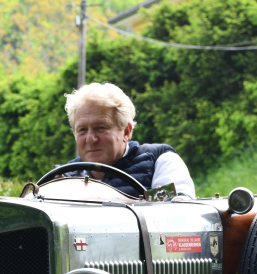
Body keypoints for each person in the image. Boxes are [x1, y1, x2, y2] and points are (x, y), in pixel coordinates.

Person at [61, 82, 195, 198]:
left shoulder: (160, 161)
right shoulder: (62, 177)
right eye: (82, 130)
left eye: (101, 128)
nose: (90, 139)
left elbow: (177, 206)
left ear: (126, 131)